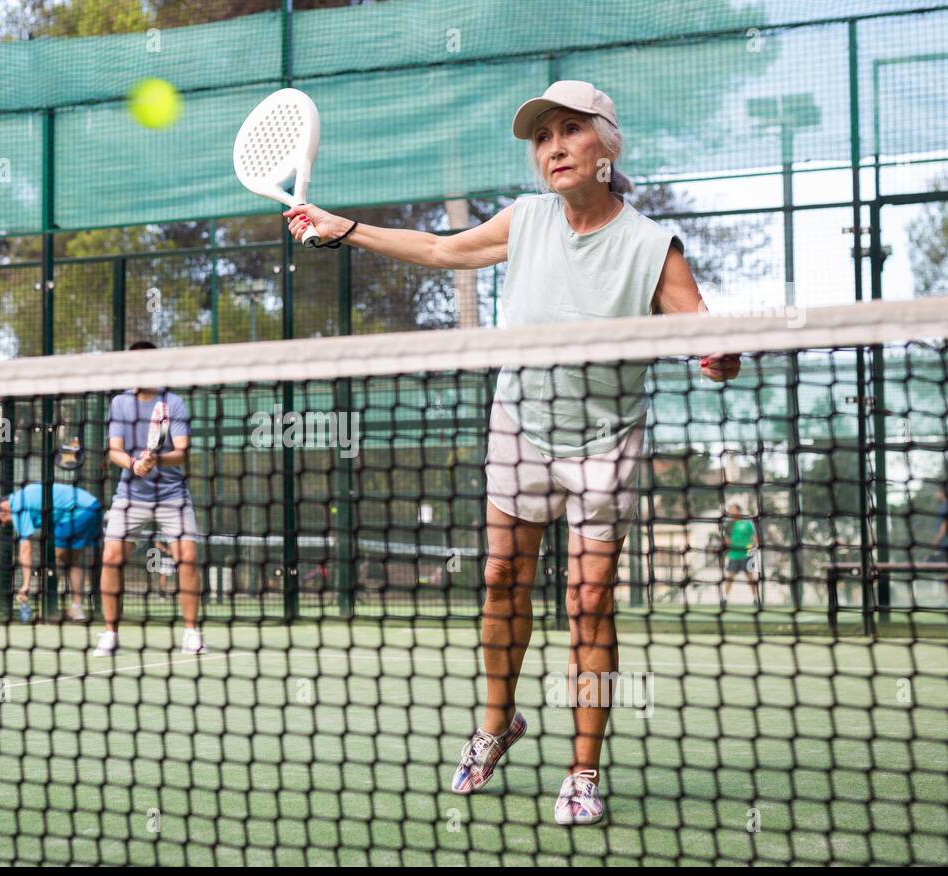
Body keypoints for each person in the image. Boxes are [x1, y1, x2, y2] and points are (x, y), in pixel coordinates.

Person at [286, 80, 741, 824]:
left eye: (571, 130)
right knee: (501, 579)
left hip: (606, 439)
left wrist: (718, 356)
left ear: (608, 146)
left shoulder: (652, 246)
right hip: (522, 422)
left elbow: (701, 329)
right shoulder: (527, 220)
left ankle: (584, 772)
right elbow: (440, 248)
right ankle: (497, 725)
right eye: (542, 137)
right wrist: (343, 228)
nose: (554, 147)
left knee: (589, 604)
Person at [95, 341, 205, 656]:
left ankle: (191, 633)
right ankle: (110, 634)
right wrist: (133, 464)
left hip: (172, 494)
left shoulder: (174, 402)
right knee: (111, 558)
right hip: (131, 494)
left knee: (187, 557)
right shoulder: (119, 403)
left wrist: (158, 460)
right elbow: (114, 449)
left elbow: (182, 453)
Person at [0, 482, 103, 622]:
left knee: (52, 559)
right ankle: (77, 608)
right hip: (94, 507)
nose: (3, 524)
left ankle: (49, 608)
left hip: (78, 512)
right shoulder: (24, 494)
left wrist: (26, 583)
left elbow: (25, 549)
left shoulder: (18, 507)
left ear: (3, 508)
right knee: (71, 560)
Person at [720, 503, 761, 609]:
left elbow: (754, 538)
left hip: (747, 555)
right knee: (729, 578)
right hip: (733, 555)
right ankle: (725, 599)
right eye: (730, 510)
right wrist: (727, 543)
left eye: (733, 509)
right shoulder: (728, 525)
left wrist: (753, 548)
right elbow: (726, 539)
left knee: (750, 578)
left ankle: (756, 599)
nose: (731, 511)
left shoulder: (747, 523)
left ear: (738, 511)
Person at [928, 484, 948, 605]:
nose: (935, 494)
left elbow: (946, 524)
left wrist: (936, 541)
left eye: (937, 492)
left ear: (942, 493)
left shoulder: (946, 506)